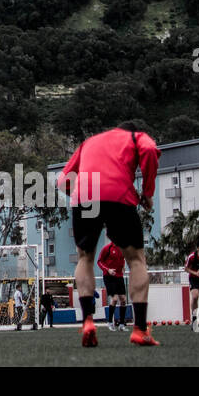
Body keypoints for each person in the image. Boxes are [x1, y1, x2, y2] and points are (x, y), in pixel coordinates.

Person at [59, 125, 161, 348]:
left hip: (86, 193)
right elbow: (151, 150)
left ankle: (87, 322)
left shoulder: (89, 142)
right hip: (119, 195)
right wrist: (147, 192)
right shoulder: (136, 138)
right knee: (136, 260)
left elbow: (64, 180)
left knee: (85, 258)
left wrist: (79, 194)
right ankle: (140, 330)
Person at [98, 240, 128, 331]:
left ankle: (122, 325)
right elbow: (99, 261)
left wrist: (123, 266)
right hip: (109, 276)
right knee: (114, 299)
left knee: (123, 300)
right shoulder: (107, 248)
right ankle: (110, 322)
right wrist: (108, 270)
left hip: (119, 276)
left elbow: (122, 259)